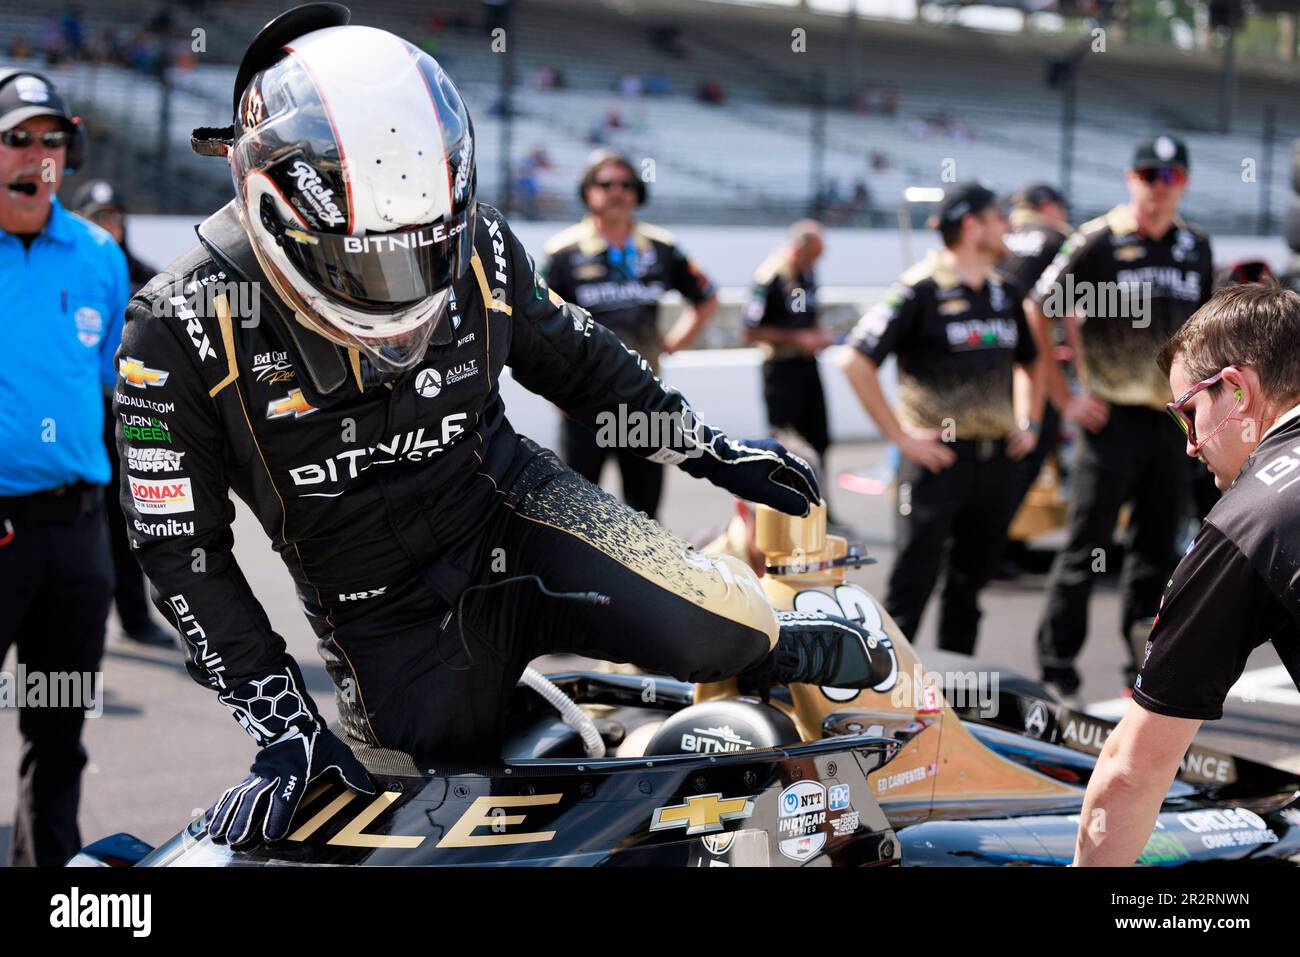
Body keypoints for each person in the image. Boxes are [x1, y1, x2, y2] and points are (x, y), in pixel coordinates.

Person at [125, 5, 881, 852]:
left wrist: (704, 449)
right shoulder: (175, 325)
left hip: (519, 517)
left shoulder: (479, 241)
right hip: (376, 612)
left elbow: (581, 359)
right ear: (267, 199)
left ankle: (791, 617)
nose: (400, 284)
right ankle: (529, 706)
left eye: (422, 251)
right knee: (421, 830)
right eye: (368, 259)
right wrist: (282, 724)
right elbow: (180, 550)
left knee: (727, 632)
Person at [1075, 283, 1300, 866]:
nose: (1192, 447)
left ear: (1237, 389)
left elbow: (1132, 769)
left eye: (1190, 415)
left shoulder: (1252, 518)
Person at [1027, 136, 1214, 704]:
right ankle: (1057, 668)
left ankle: (1144, 664)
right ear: (1131, 178)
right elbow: (1040, 306)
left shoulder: (1194, 247)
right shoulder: (1097, 241)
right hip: (1108, 424)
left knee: (1157, 550)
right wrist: (1066, 398)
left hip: (1171, 422)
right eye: (1149, 174)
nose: (1159, 186)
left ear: (1182, 184)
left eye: (1172, 176)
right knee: (1086, 546)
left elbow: (1210, 328)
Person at [0, 69, 127, 865]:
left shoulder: (99, 256)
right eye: (18, 137)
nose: (38, 155)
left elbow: (113, 380)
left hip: (78, 538)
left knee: (60, 729)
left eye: (53, 140)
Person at [837, 182, 1041, 654]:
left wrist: (1029, 422)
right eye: (998, 217)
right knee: (911, 586)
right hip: (934, 463)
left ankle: (956, 698)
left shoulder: (1004, 291)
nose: (1007, 227)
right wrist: (900, 437)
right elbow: (855, 359)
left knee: (968, 591)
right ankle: (885, 696)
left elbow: (1032, 362)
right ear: (972, 226)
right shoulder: (919, 288)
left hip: (995, 463)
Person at [543, 149, 718, 519]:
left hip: (644, 401)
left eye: (625, 184)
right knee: (577, 514)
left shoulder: (662, 246)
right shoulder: (562, 252)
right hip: (583, 403)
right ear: (588, 191)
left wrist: (673, 344)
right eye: (605, 184)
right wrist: (553, 387)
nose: (616, 191)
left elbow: (706, 297)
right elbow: (537, 323)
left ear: (637, 192)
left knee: (646, 516)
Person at [69, 177, 172, 648]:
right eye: (98, 219)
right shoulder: (67, 272)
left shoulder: (147, 276)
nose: (109, 227)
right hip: (77, 415)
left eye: (114, 218)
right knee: (71, 523)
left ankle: (135, 617)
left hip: (128, 412)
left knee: (130, 519)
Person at [997, 183, 1072, 569]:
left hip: (987, 360)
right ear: (1049, 206)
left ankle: (998, 542)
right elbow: (1073, 308)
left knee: (999, 454)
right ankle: (996, 545)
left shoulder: (1001, 234)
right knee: (1031, 448)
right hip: (1030, 362)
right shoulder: (1059, 237)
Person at [743, 220, 835, 488]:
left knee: (819, 438)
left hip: (808, 365)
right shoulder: (770, 276)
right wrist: (797, 338)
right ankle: (786, 506)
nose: (812, 264)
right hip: (781, 369)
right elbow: (750, 331)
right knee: (786, 442)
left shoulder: (807, 273)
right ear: (798, 247)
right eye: (810, 257)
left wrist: (820, 335)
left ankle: (820, 504)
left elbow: (808, 316)